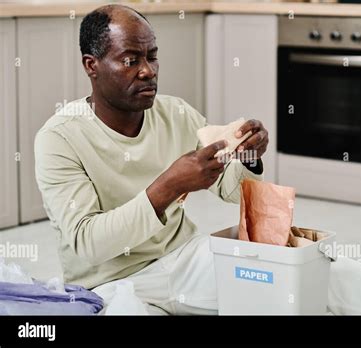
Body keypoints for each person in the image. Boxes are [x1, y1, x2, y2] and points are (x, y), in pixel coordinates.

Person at [34, 4, 269, 315]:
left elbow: (233, 191)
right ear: (92, 65)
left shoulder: (176, 113)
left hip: (185, 257)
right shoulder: (59, 138)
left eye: (152, 57)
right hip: (110, 283)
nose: (148, 70)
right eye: (131, 60)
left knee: (285, 284)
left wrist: (248, 157)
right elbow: (89, 243)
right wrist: (168, 187)